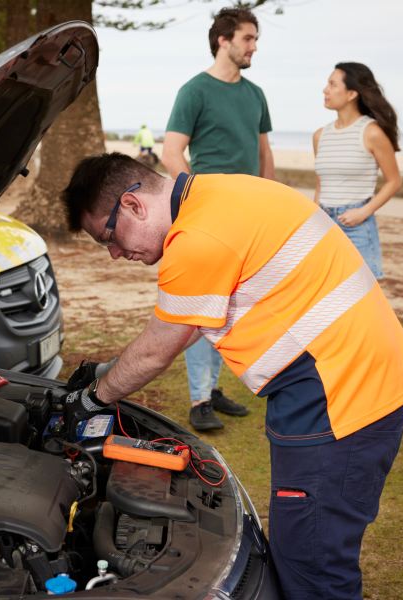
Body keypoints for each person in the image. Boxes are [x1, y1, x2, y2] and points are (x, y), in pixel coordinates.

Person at [60, 152, 403, 599]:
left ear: (134, 205)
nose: (117, 254)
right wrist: (106, 370)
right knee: (317, 552)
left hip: (335, 399)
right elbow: (194, 321)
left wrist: (94, 397)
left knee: (311, 566)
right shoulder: (224, 195)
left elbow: (160, 348)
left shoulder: (196, 236)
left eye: (108, 237)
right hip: (359, 382)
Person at [160, 6, 275, 431]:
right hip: (210, 214)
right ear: (223, 40)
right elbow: (172, 153)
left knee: (234, 305)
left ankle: (214, 387)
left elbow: (264, 153)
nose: (254, 46)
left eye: (255, 39)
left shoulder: (255, 94)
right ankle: (198, 400)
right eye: (247, 38)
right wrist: (201, 196)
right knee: (203, 304)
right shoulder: (195, 90)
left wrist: (270, 200)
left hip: (250, 216)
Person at [314, 62, 402, 279]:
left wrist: (364, 212)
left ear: (352, 93)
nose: (325, 89)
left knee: (365, 296)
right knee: (325, 293)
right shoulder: (319, 136)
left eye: (333, 84)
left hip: (357, 225)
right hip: (323, 223)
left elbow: (394, 181)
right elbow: (320, 185)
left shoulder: (371, 133)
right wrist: (314, 219)